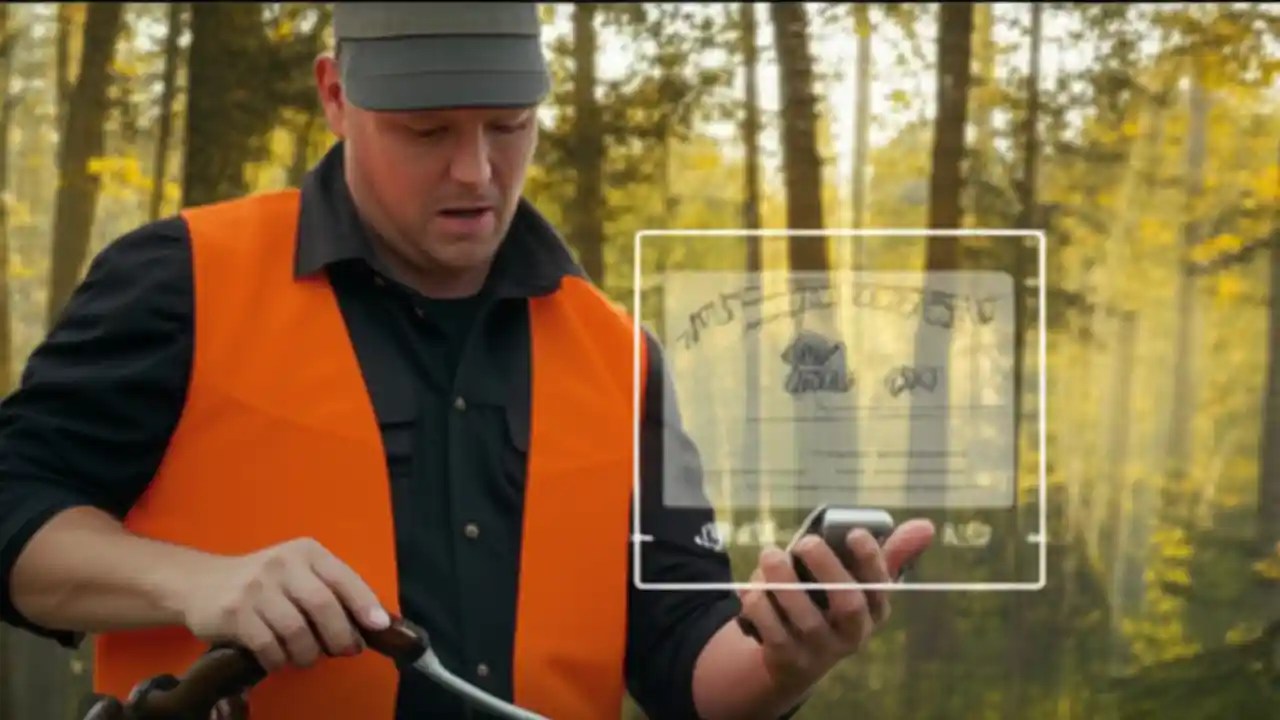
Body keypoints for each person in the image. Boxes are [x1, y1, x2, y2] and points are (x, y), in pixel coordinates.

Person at [0, 3, 935, 719]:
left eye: (506, 126)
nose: (476, 173)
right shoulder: (183, 281)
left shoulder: (622, 357)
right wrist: (194, 580)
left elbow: (686, 656)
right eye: (426, 132)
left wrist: (783, 658)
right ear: (335, 95)